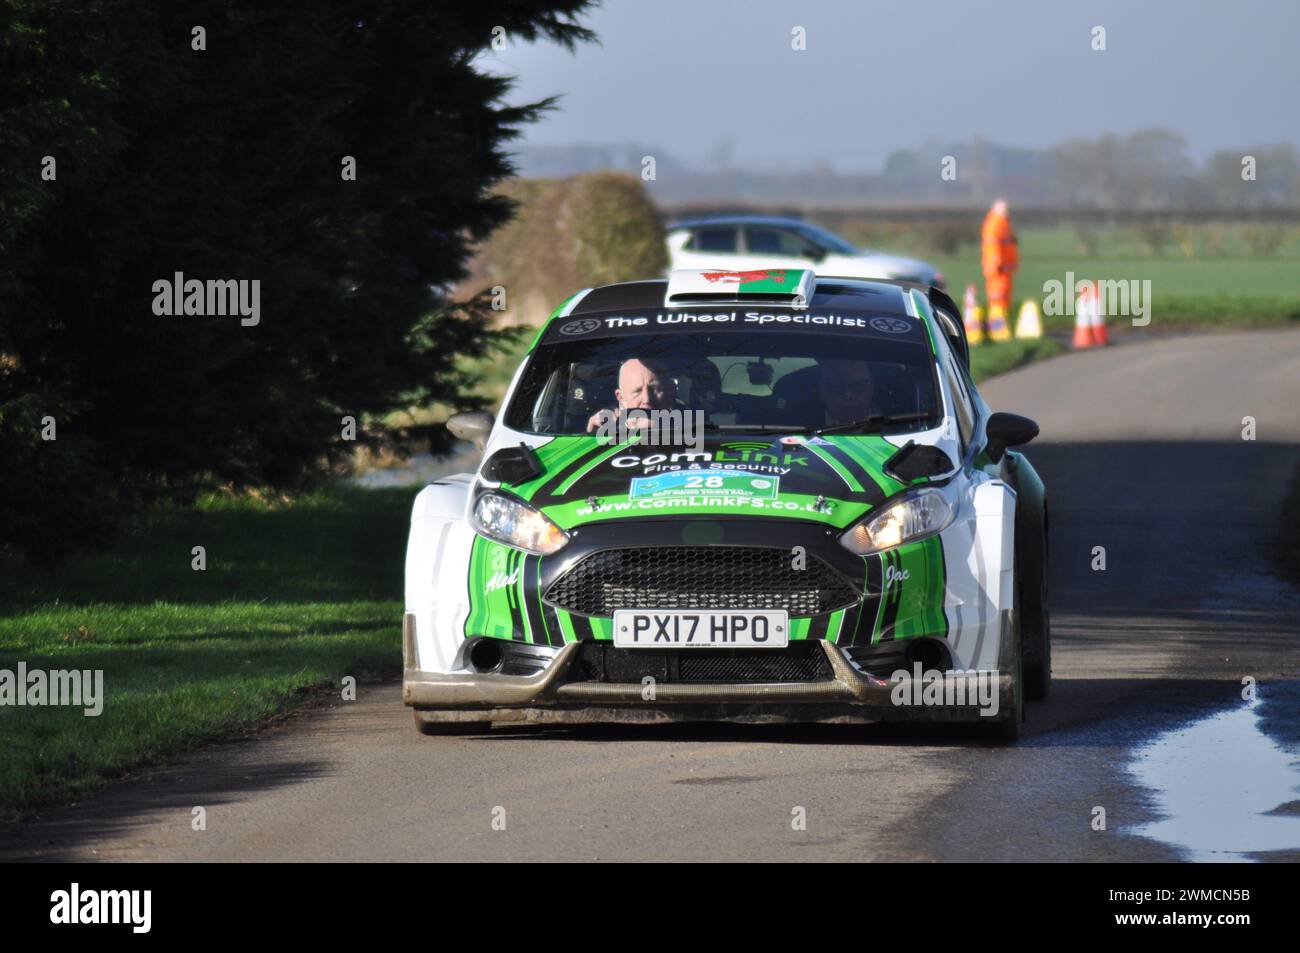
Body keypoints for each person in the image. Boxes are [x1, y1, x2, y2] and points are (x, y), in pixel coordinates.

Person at [585, 358, 680, 432]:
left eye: (654, 389)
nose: (646, 399)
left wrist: (659, 428)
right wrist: (593, 432)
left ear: (669, 392)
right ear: (620, 397)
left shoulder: (690, 422)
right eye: (637, 391)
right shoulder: (610, 422)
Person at [981, 199, 1018, 342]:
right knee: (997, 301)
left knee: (1002, 302)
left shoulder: (1002, 223)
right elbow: (992, 246)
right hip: (998, 271)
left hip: (1003, 270)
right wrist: (997, 264)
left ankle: (1000, 330)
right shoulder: (996, 224)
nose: (1008, 212)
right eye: (1006, 209)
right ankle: (997, 332)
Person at [820, 359, 875, 425]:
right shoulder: (806, 427)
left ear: (871, 388)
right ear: (823, 391)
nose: (848, 395)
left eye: (858, 385)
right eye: (837, 387)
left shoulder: (890, 423)